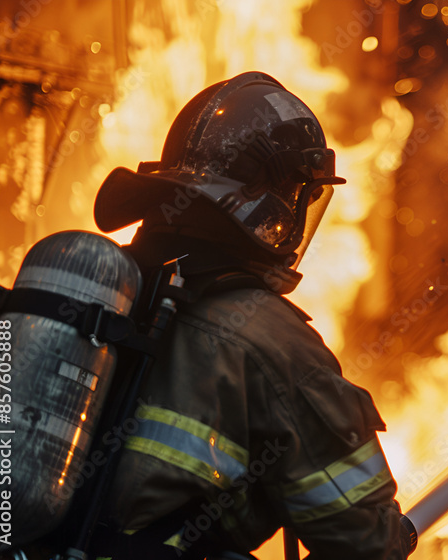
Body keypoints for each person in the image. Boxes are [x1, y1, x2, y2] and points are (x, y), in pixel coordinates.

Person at [85, 71, 416, 560]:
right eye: (302, 195)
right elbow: (364, 543)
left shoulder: (97, 291)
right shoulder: (272, 344)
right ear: (275, 199)